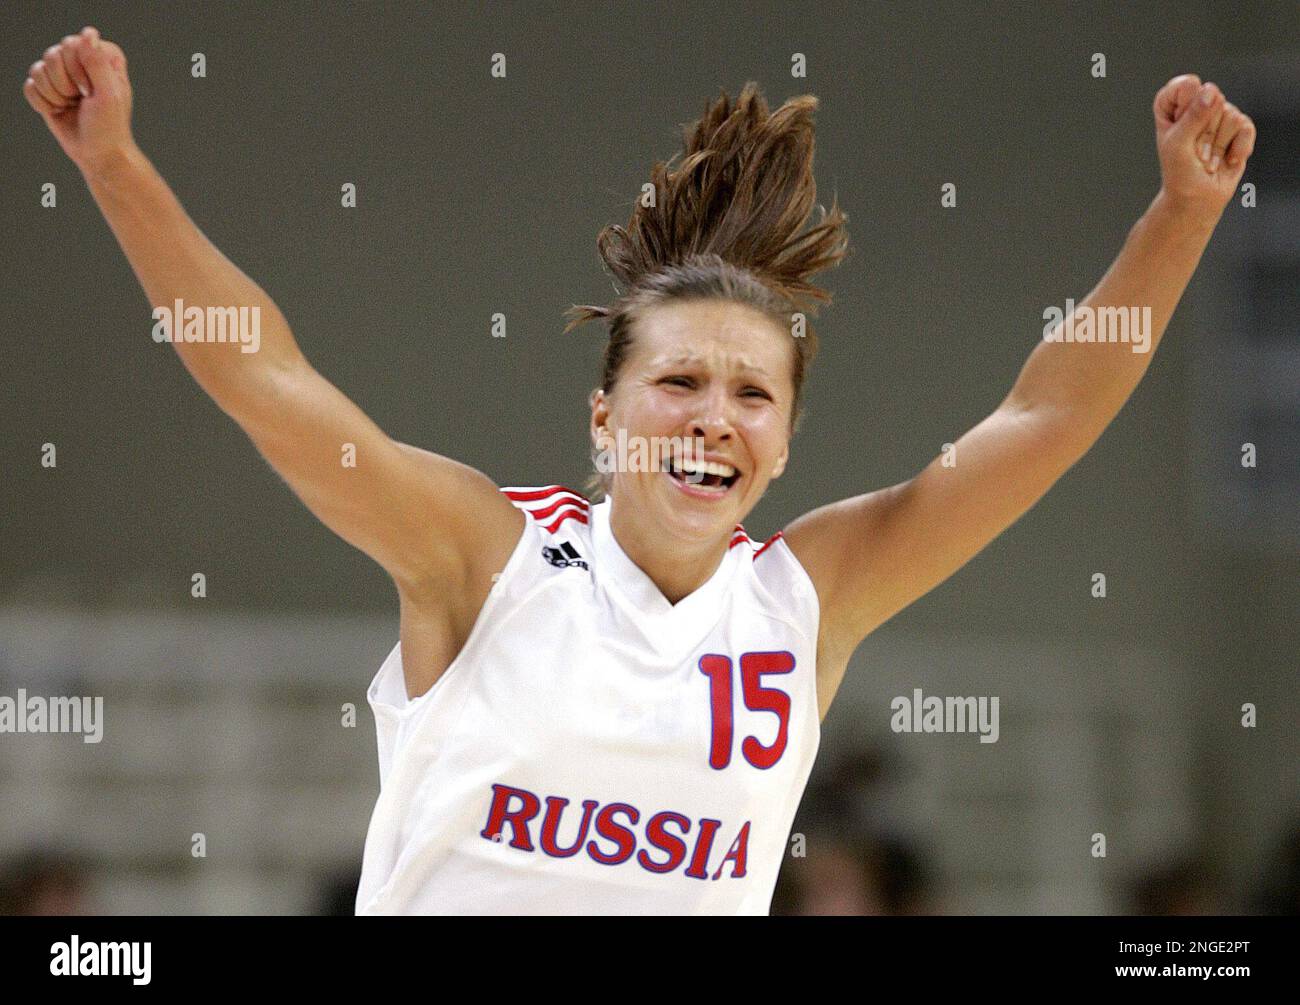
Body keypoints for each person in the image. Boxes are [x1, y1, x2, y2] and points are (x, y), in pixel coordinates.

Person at [23, 25, 1257, 915]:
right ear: (604, 418)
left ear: (784, 442)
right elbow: (268, 377)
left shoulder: (802, 601)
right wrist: (116, 166)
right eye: (680, 382)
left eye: (753, 394)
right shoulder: (485, 558)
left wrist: (1184, 215)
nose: (715, 418)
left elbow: (1042, 417)